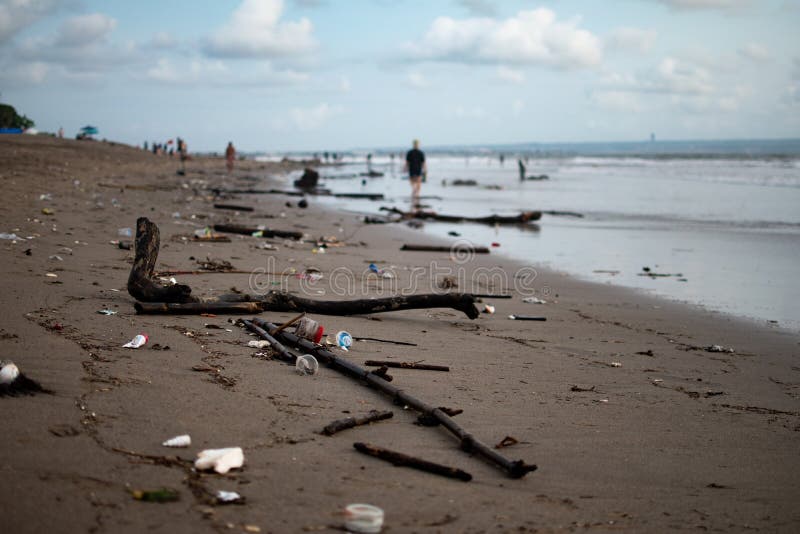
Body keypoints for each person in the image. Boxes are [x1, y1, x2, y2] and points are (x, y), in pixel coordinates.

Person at [405, 139, 426, 203]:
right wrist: (406, 168)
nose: (416, 145)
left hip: (417, 168)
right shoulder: (410, 152)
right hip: (413, 168)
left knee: (417, 182)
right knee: (414, 182)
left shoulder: (420, 153)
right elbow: (407, 162)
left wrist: (424, 169)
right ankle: (415, 192)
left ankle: (416, 193)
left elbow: (423, 162)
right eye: (416, 144)